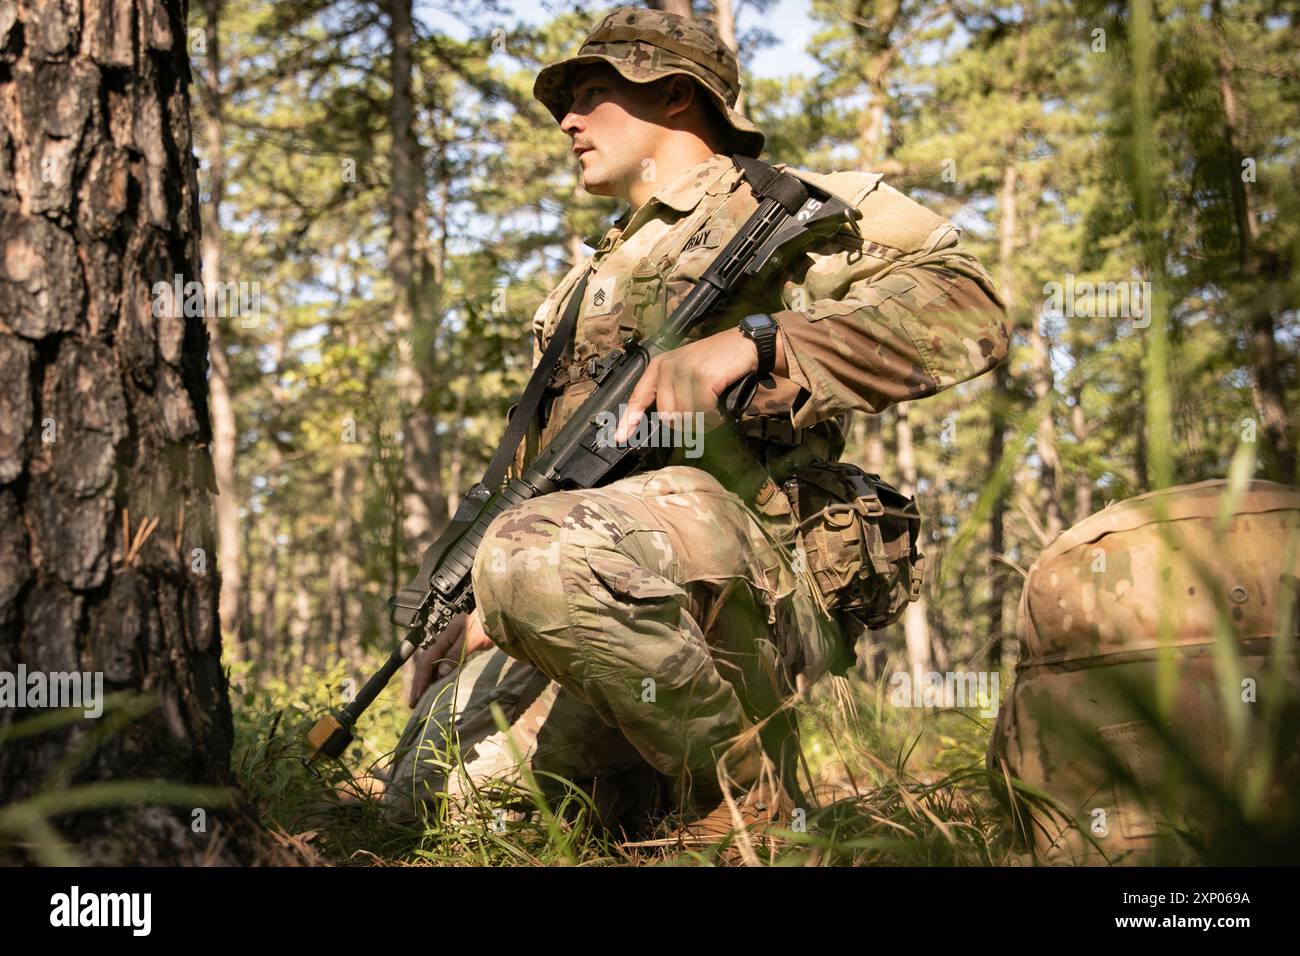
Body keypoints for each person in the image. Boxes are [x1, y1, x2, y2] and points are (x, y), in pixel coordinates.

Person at [380, 6, 1010, 861]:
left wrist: (765, 342)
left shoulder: (789, 204)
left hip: (748, 558)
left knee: (539, 556)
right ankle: (653, 770)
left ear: (674, 93)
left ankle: (749, 797)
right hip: (596, 562)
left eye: (591, 93)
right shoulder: (584, 281)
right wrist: (494, 601)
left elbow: (968, 305)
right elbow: (554, 485)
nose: (565, 121)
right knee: (428, 803)